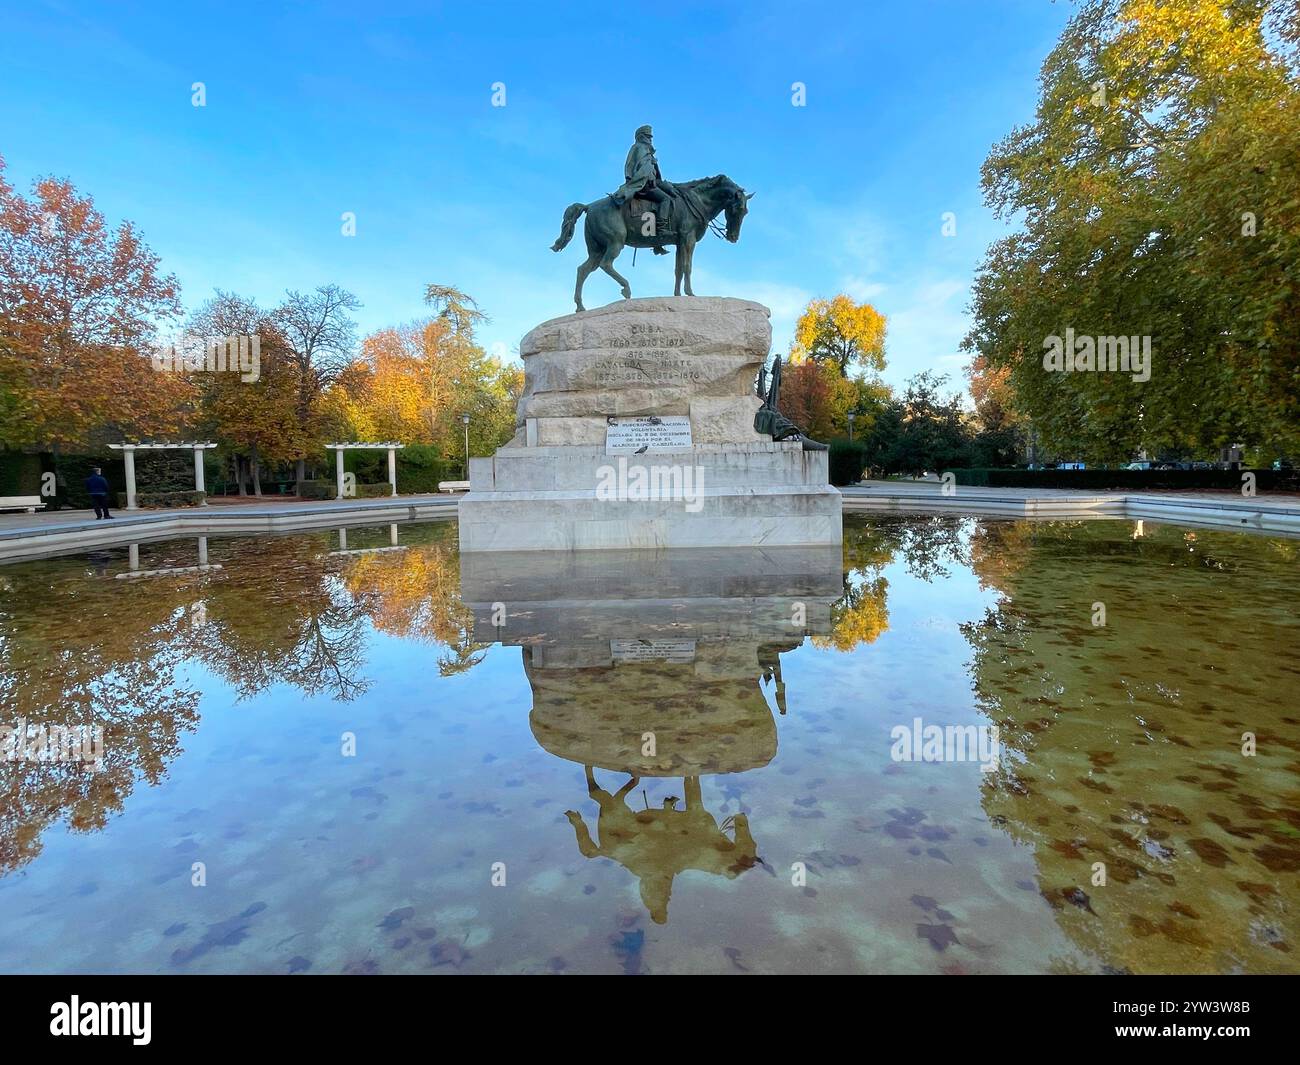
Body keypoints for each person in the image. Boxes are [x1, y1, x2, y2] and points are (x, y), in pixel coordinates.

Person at [611, 125, 676, 254]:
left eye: (650, 137)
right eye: (648, 136)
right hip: (642, 186)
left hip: (652, 185)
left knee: (669, 194)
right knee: (665, 200)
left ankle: (657, 242)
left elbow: (657, 176)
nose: (650, 139)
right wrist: (630, 179)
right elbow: (629, 165)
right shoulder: (637, 148)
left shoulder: (650, 154)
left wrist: (667, 186)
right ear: (641, 136)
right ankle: (662, 229)